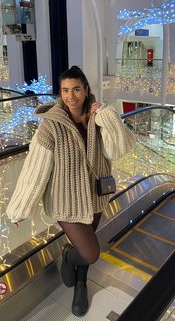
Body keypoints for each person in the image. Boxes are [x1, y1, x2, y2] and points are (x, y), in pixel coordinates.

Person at [6, 65, 135, 317]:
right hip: (65, 200)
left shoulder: (97, 118)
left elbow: (119, 150)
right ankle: (68, 256)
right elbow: (36, 167)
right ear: (60, 93)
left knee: (89, 246)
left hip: (96, 195)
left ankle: (81, 285)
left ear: (86, 90)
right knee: (90, 252)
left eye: (76, 88)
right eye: (65, 90)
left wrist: (107, 117)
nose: (71, 95)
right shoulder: (51, 126)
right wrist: (22, 206)